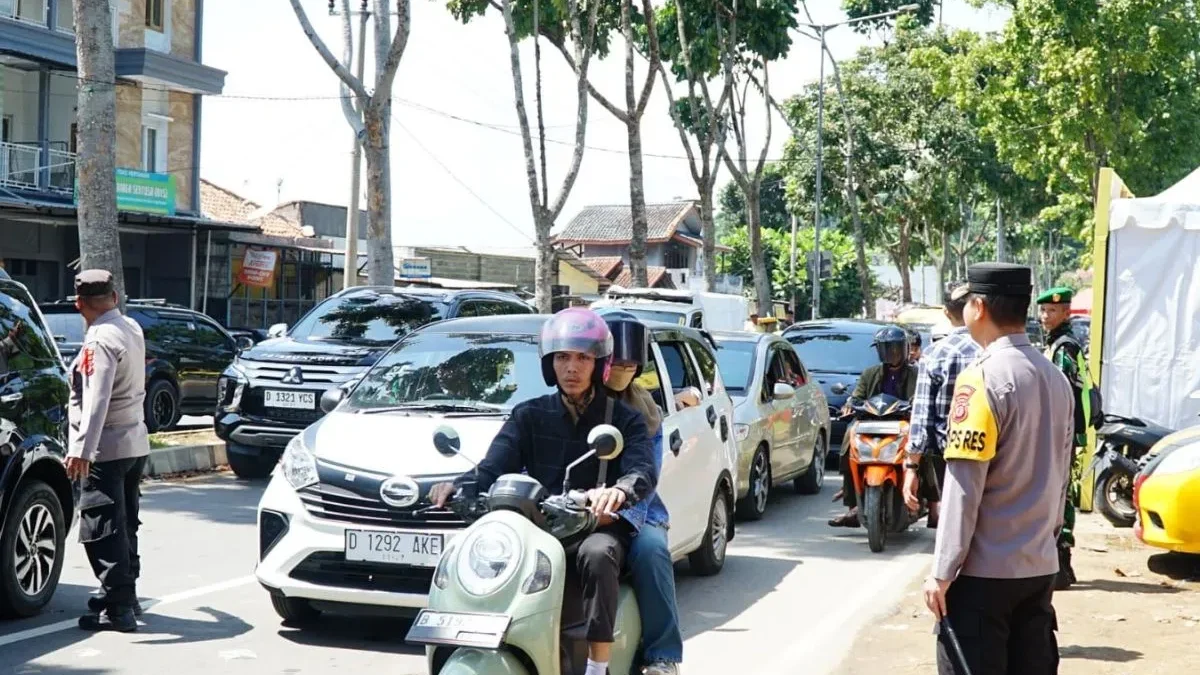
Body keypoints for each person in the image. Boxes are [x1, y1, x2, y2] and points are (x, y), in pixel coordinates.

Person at [429, 307, 656, 675]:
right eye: (562, 357)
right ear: (549, 364)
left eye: (582, 358)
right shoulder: (529, 415)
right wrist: (456, 486)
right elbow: (492, 466)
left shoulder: (623, 418)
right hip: (535, 526)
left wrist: (618, 491)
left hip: (592, 525)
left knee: (599, 556)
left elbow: (641, 470)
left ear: (599, 364)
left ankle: (597, 665)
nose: (571, 368)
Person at [924, 263, 1073, 675]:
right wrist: (1048, 541)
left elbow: (964, 487)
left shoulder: (981, 380)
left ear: (978, 306)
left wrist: (942, 572)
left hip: (983, 576)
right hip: (1039, 566)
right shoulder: (1056, 378)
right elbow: (1062, 477)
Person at [65, 270, 151, 632]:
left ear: (78, 304)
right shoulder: (131, 327)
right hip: (133, 442)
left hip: (106, 447)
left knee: (103, 528)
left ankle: (118, 609)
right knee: (125, 523)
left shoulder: (99, 340)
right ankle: (123, 596)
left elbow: (97, 397)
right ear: (114, 298)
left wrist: (83, 449)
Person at [601, 310, 682, 675]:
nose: (623, 370)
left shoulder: (644, 411)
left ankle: (662, 654)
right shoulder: (563, 403)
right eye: (616, 362)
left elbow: (646, 476)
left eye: (631, 364)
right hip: (571, 510)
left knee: (651, 551)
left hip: (639, 511)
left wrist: (620, 509)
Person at [904, 284, 981, 530]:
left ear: (947, 314)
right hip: (993, 454)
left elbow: (922, 417)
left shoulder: (937, 354)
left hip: (950, 453)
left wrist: (911, 468)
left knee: (954, 523)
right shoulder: (993, 350)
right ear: (978, 309)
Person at [828, 325, 918, 528]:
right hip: (872, 422)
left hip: (904, 423)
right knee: (849, 439)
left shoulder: (916, 374)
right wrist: (851, 405)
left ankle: (933, 502)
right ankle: (853, 501)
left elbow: (920, 397)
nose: (892, 353)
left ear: (904, 349)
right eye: (887, 349)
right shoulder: (870, 373)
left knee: (924, 448)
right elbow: (857, 396)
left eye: (895, 348)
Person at [1036, 286, 1093, 590]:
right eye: (1043, 311)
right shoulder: (1061, 342)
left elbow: (1059, 394)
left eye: (1052, 311)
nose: (1046, 316)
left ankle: (1062, 562)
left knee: (1062, 495)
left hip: (1063, 433)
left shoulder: (1063, 347)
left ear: (1066, 313)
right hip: (1067, 432)